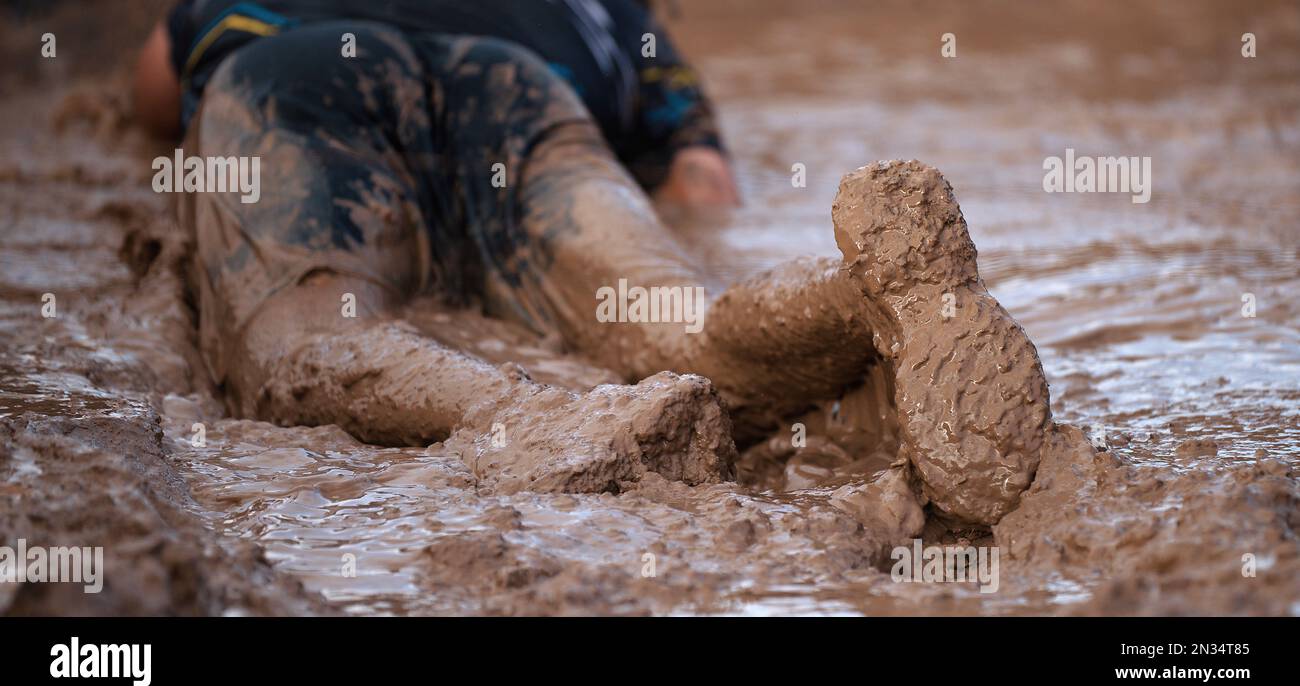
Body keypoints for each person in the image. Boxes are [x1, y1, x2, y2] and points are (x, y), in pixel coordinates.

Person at [134, 0, 1052, 525]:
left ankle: (521, 413)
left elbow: (158, 84)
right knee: (675, 323)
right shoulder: (618, 16)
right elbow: (701, 184)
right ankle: (877, 295)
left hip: (299, 72)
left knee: (302, 338)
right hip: (524, 90)